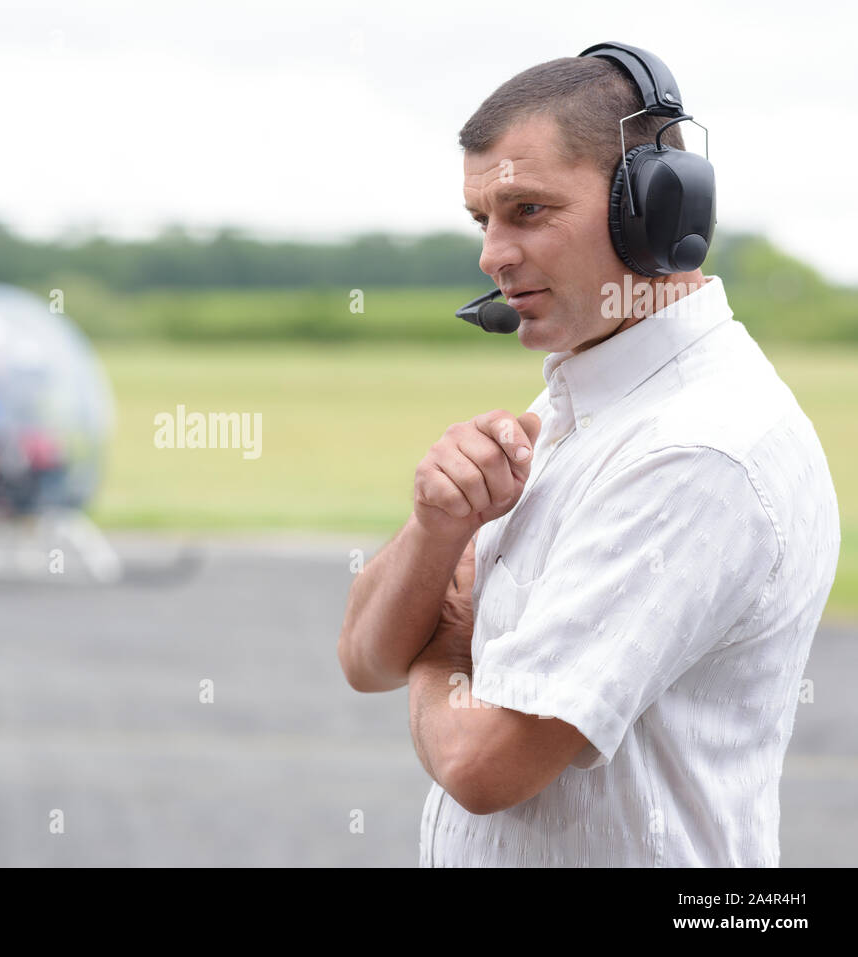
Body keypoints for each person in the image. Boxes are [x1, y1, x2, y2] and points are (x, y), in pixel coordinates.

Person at [336, 50, 840, 866]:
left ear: (655, 210)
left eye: (527, 210)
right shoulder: (580, 401)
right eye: (482, 220)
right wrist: (436, 527)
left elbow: (482, 764)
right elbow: (363, 658)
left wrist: (444, 645)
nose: (491, 255)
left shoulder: (698, 451)